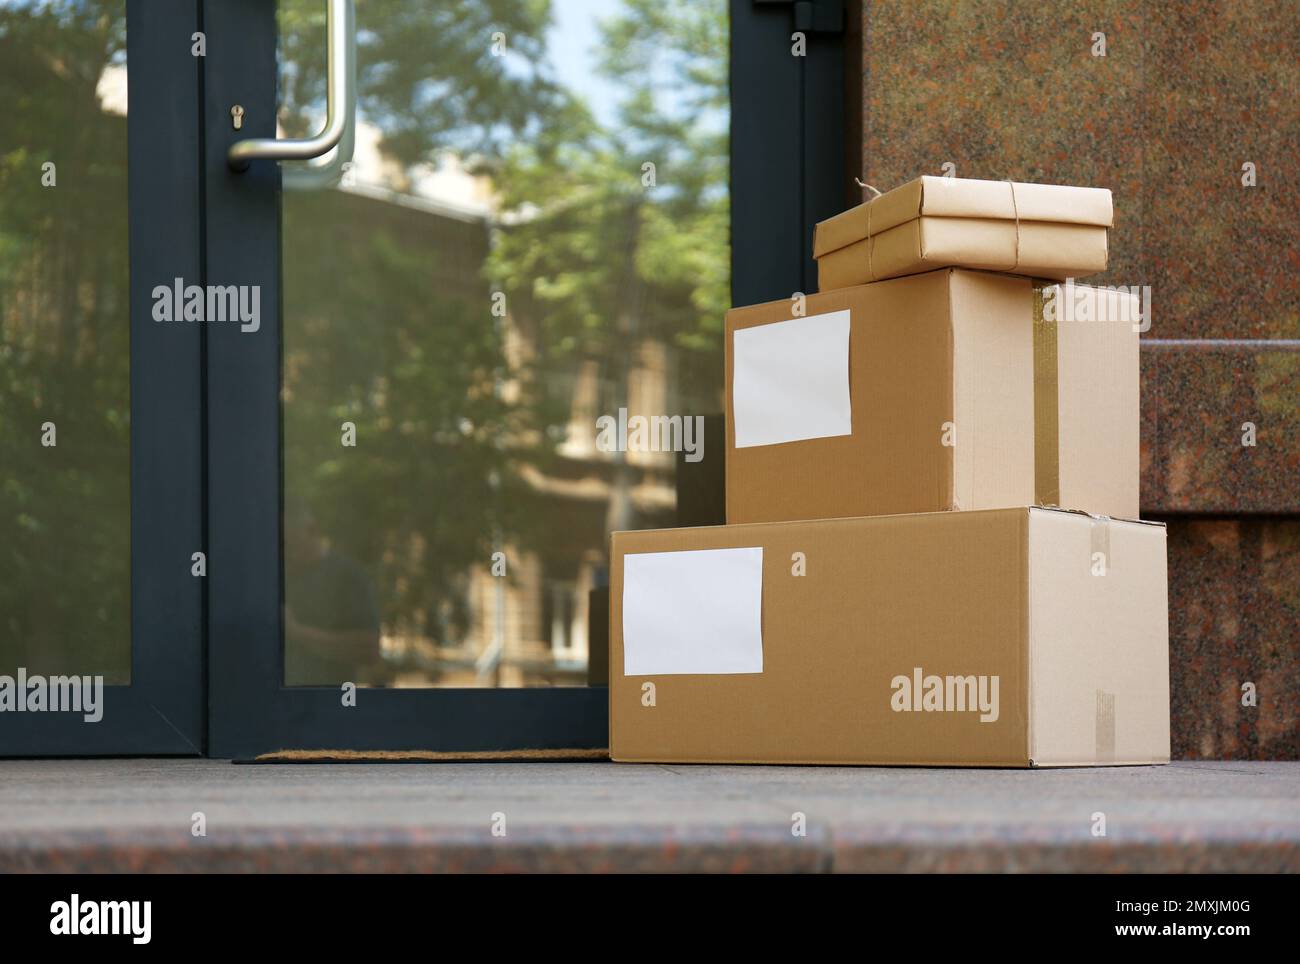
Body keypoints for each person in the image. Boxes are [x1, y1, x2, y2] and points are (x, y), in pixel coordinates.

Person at [282, 498, 386, 686]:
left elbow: (369, 650)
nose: (286, 553)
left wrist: (297, 633)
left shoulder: (348, 576)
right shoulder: (278, 576)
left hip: (331, 701)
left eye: (290, 543)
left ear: (312, 530)